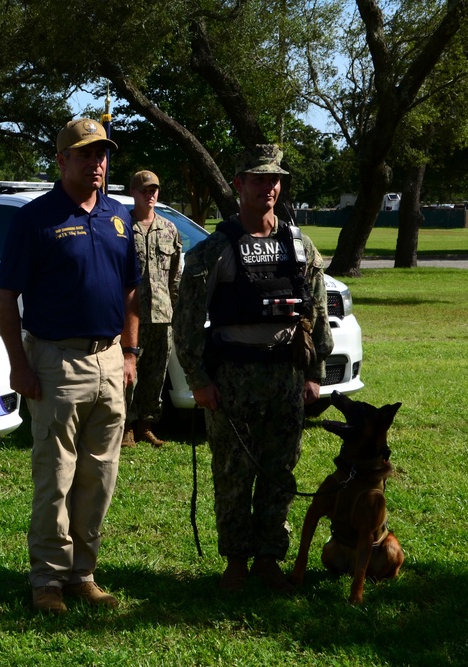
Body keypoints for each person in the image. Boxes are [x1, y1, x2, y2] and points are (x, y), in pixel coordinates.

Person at [0, 118, 140, 615]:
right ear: (61, 160)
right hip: (56, 361)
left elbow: (130, 291)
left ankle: (83, 574)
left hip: (109, 358)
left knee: (100, 475)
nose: (96, 163)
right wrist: (19, 365)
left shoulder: (119, 216)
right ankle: (47, 580)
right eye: (85, 154)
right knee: (56, 475)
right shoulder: (35, 219)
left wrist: (129, 352)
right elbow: (7, 297)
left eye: (102, 154)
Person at [172, 144, 333, 592]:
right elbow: (186, 323)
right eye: (259, 179)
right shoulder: (216, 248)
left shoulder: (299, 245)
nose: (268, 187)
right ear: (239, 184)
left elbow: (317, 313)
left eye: (274, 180)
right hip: (233, 378)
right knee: (233, 472)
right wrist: (199, 381)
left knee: (280, 471)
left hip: (286, 376)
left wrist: (314, 373)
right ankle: (236, 561)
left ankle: (269, 558)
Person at [122, 170, 182, 447]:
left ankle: (146, 424)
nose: (150, 195)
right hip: (131, 317)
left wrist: (175, 309)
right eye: (145, 190)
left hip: (161, 315)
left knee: (156, 375)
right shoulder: (122, 227)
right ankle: (126, 426)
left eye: (154, 190)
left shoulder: (169, 229)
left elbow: (175, 275)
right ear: (133, 192)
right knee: (127, 375)